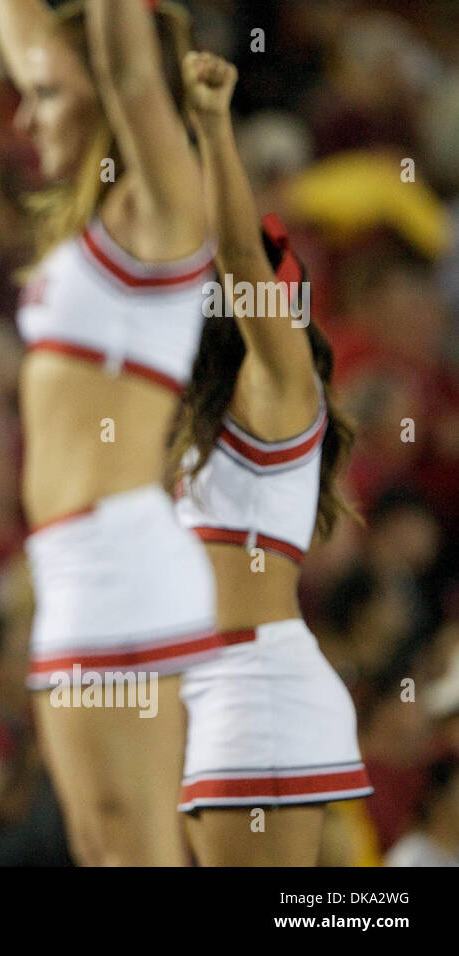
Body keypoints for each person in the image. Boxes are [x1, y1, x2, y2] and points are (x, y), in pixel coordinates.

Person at [0, 0, 219, 865]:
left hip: (121, 565)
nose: (22, 113)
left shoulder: (161, 211)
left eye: (47, 95)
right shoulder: (97, 224)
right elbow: (20, 34)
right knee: (111, 853)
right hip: (73, 571)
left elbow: (124, 69)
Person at [170, 51, 372, 866]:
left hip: (256, 687)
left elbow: (242, 261)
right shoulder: (203, 430)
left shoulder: (283, 387)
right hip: (210, 688)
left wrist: (215, 127)